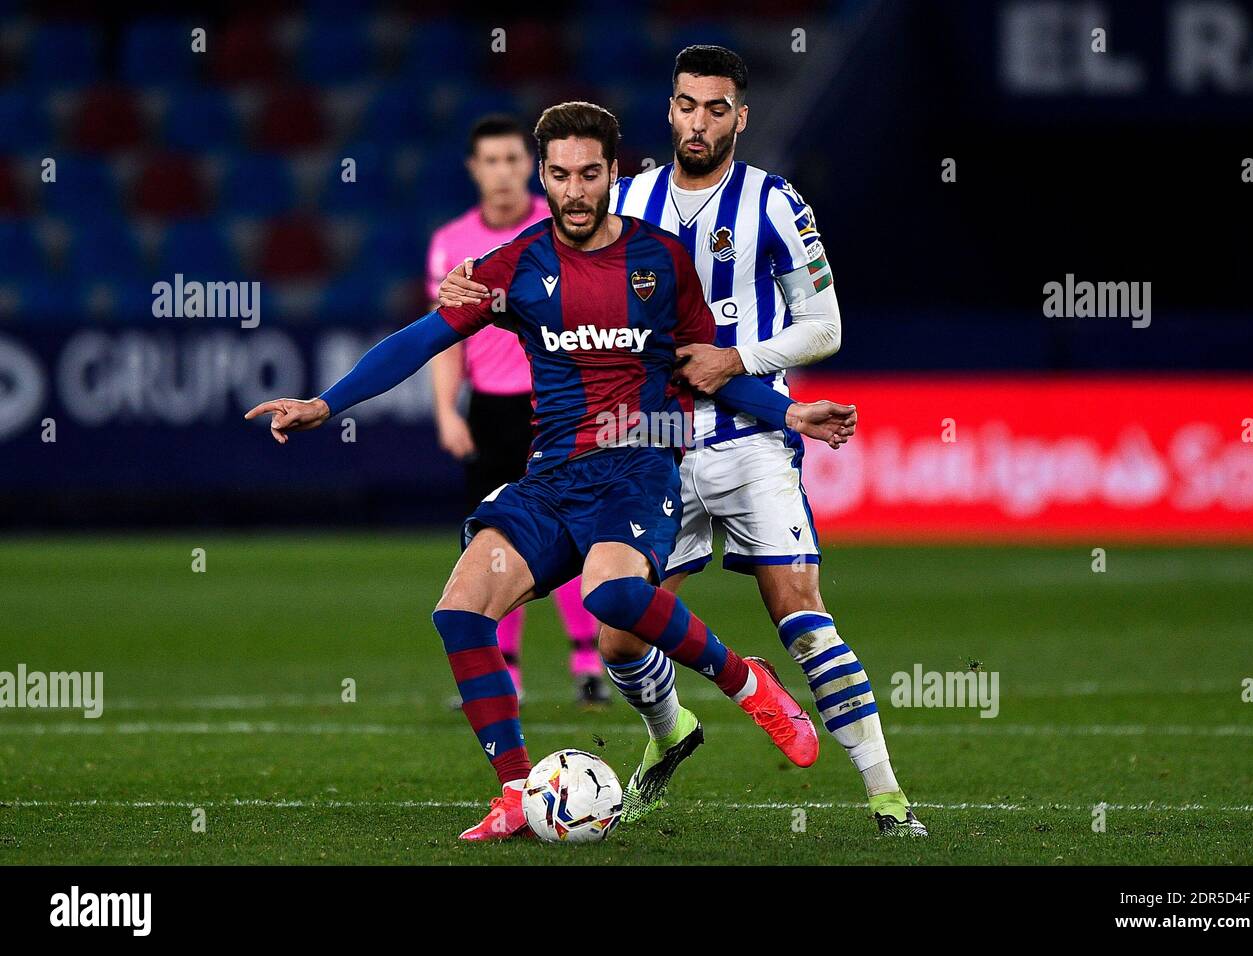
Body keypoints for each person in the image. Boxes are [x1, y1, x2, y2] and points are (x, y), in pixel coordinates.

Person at [245, 101, 859, 841]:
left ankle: (747, 681)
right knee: (460, 609)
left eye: (589, 174)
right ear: (544, 174)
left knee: (612, 593)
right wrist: (326, 402)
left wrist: (788, 415)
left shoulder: (660, 260)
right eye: (560, 174)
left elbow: (711, 371)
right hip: (552, 475)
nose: (574, 190)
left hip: (639, 468)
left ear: (611, 173)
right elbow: (420, 339)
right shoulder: (520, 264)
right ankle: (513, 793)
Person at [437, 48, 926, 836]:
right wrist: (473, 278)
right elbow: (541, 261)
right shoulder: (624, 196)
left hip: (749, 438)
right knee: (619, 629)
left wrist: (745, 362)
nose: (701, 122)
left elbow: (827, 326)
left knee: (797, 608)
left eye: (718, 108)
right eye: (688, 106)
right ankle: (671, 734)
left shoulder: (775, 202)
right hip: (651, 446)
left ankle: (885, 794)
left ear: (741, 115)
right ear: (669, 111)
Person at [427, 114, 606, 707]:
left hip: (553, 409)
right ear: (474, 170)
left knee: (567, 530)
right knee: (496, 538)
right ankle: (506, 672)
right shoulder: (451, 242)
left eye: (512, 159)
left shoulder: (555, 227)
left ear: (528, 167)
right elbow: (444, 337)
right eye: (491, 161)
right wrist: (448, 412)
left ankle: (588, 664)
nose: (503, 172)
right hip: (489, 411)